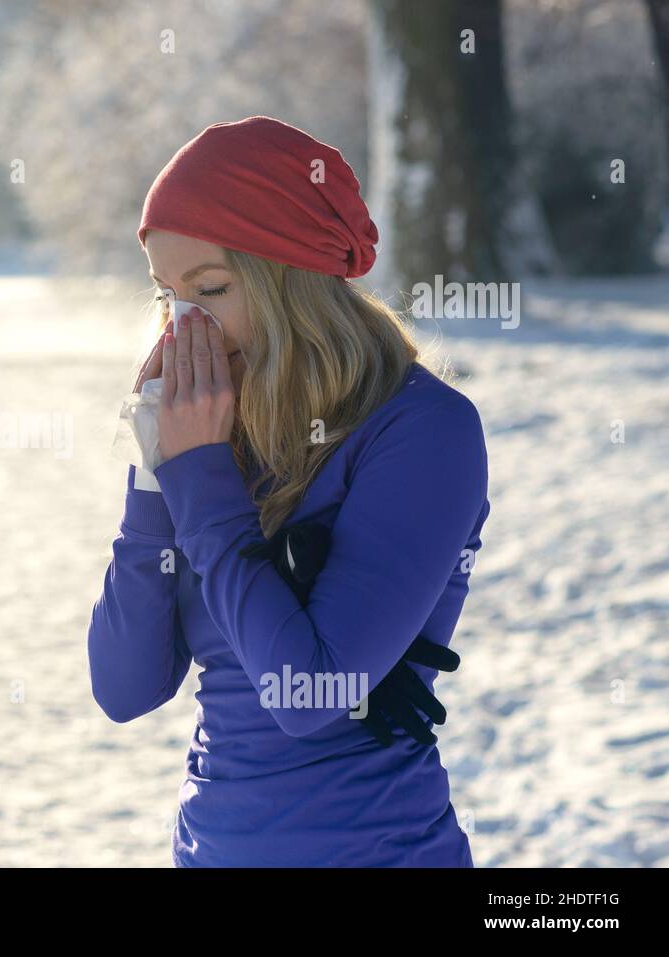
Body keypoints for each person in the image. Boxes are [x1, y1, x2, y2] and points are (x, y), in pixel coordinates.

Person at [86, 116, 490, 867]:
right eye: (166, 297)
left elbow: (309, 693)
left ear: (291, 278)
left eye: (209, 289)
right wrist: (151, 476)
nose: (184, 328)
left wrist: (199, 479)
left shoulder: (424, 431)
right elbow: (125, 686)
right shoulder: (217, 429)